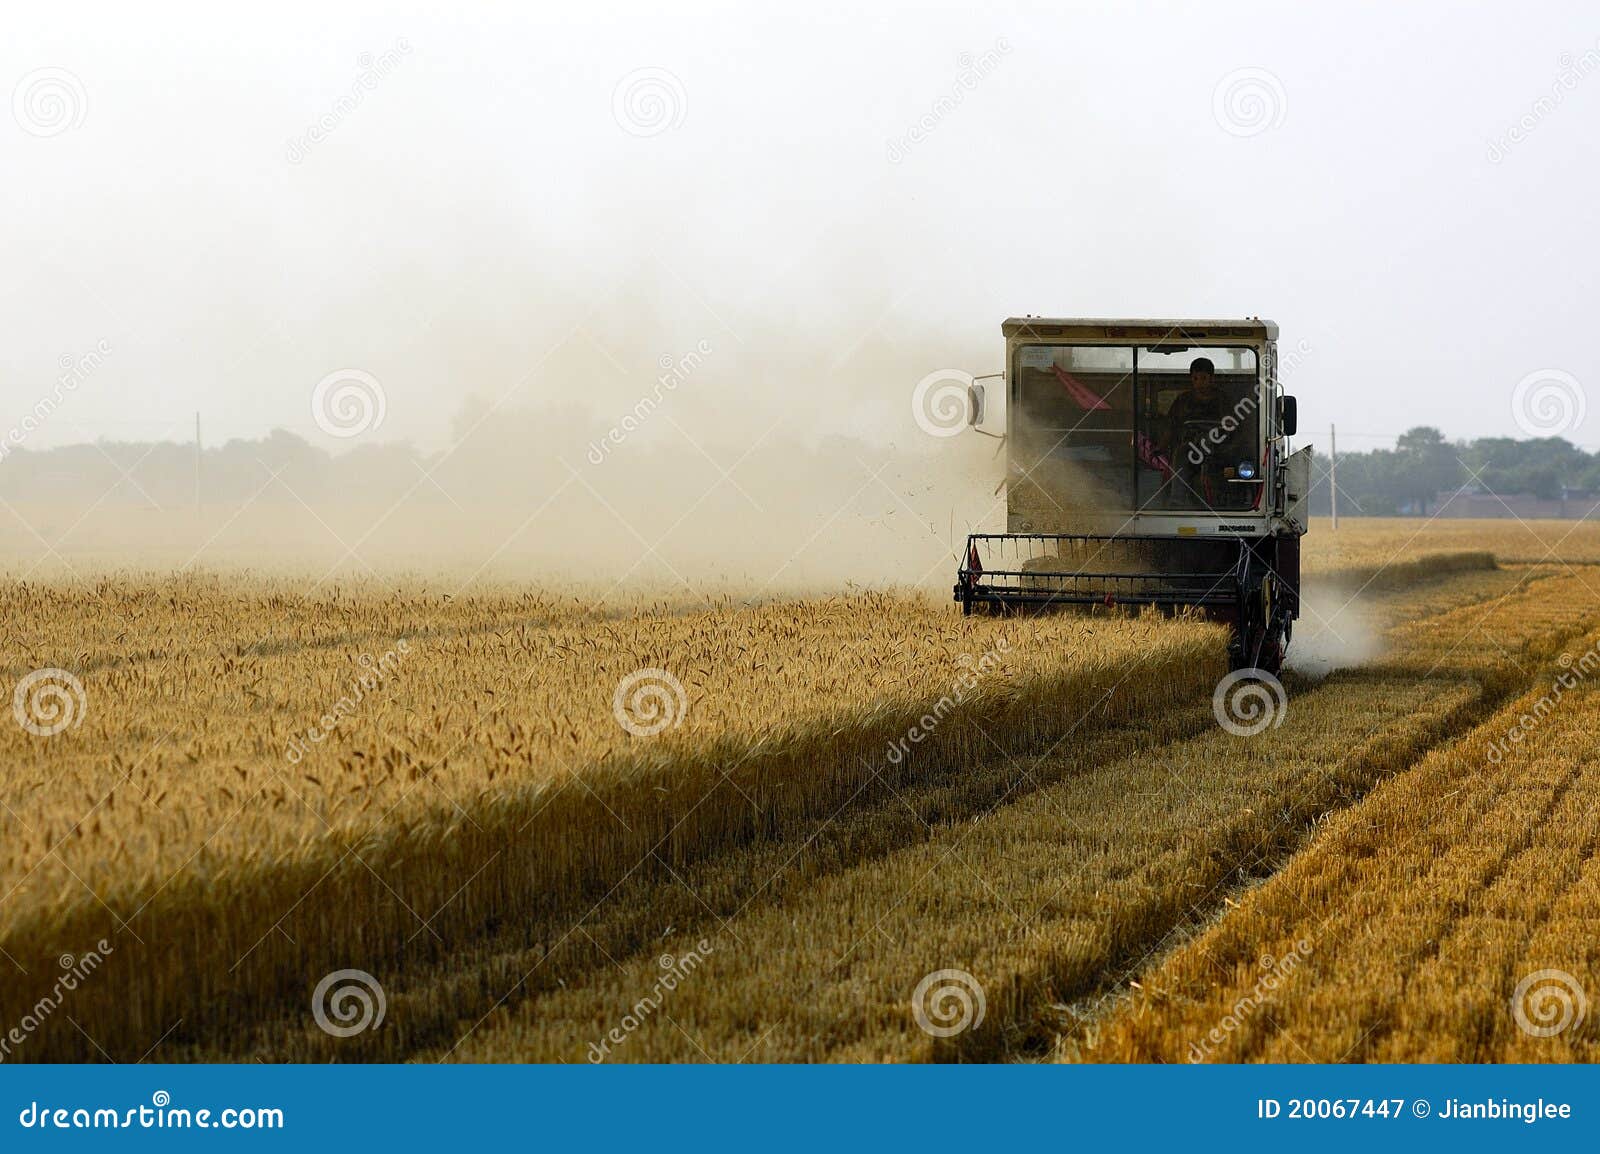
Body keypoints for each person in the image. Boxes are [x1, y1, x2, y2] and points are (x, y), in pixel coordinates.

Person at [1162, 357, 1233, 507]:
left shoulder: (1223, 400)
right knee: (1180, 453)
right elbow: (1170, 426)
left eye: (1204, 378)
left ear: (1212, 379)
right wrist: (1160, 446)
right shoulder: (1183, 400)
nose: (1200, 382)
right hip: (1189, 447)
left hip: (1219, 447)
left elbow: (1234, 425)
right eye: (1195, 378)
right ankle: (1177, 501)